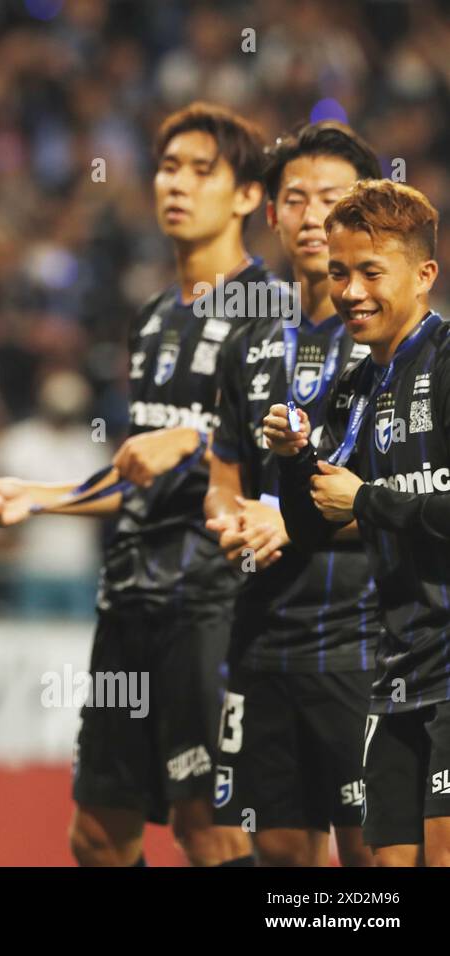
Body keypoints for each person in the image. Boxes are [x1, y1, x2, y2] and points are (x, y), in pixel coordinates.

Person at [0, 103, 269, 866]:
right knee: (99, 834)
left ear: (246, 197)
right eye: (169, 167)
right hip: (129, 596)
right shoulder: (156, 316)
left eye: (204, 171)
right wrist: (46, 495)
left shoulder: (274, 317)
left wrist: (198, 438)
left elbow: (289, 460)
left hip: (214, 604)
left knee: (212, 829)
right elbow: (143, 472)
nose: (178, 184)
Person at [205, 122, 381, 866]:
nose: (312, 217)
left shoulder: (397, 339)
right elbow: (223, 482)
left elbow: (413, 498)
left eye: (332, 202)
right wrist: (232, 520)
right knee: (277, 848)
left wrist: (295, 517)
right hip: (263, 636)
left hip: (365, 643)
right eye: (295, 200)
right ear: (270, 214)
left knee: (375, 854)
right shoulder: (247, 340)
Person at [265, 179, 450, 867]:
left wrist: (367, 502)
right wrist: (293, 462)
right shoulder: (353, 386)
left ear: (424, 273)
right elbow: (309, 531)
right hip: (398, 665)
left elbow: (359, 505)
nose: (350, 291)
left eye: (372, 271)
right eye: (339, 272)